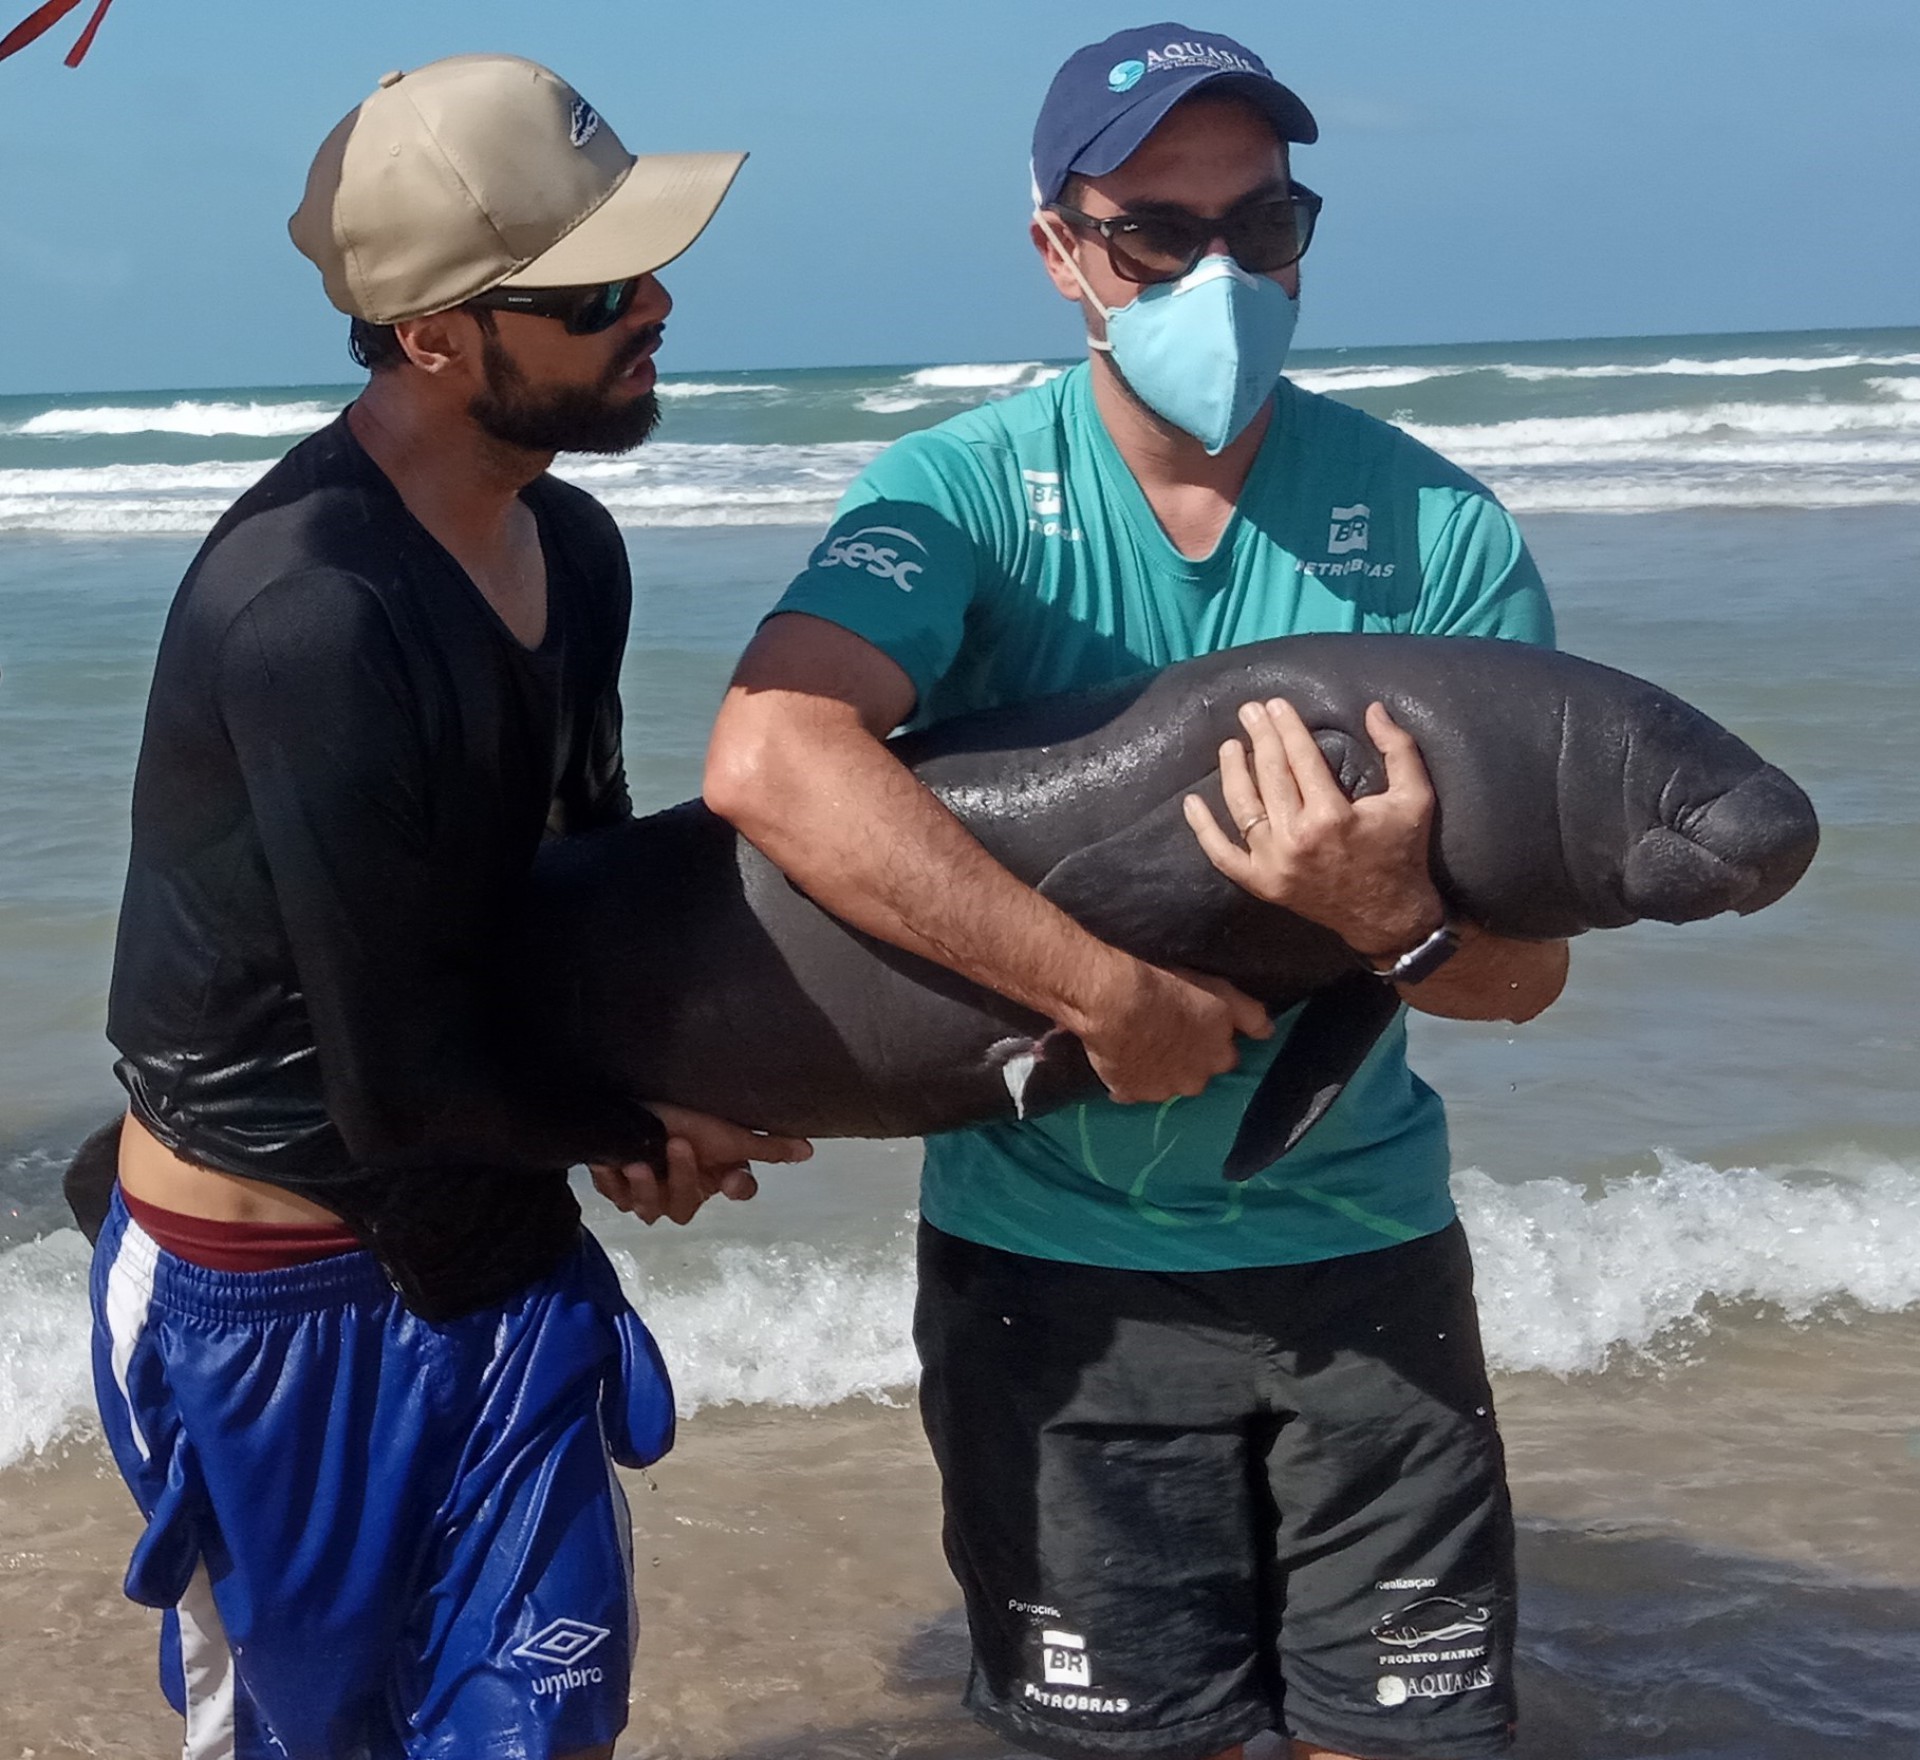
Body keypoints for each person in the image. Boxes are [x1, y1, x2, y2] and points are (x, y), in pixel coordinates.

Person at [704, 24, 1568, 1760]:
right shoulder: (954, 501)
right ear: (1060, 249)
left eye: (1263, 229)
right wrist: (1108, 1001)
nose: (1219, 274)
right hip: (1052, 1282)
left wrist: (1387, 916)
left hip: (1367, 1263)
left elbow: (1523, 980)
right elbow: (774, 754)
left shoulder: (1442, 532)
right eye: (1158, 236)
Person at [91, 54, 808, 1760]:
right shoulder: (312, 616)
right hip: (269, 1304)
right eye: (593, 291)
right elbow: (392, 1082)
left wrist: (740, 1065)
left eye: (644, 262)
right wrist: (630, 1122)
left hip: (487, 1227)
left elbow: (580, 897)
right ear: (433, 335)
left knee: (541, 1724)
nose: (655, 305)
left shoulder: (576, 543)